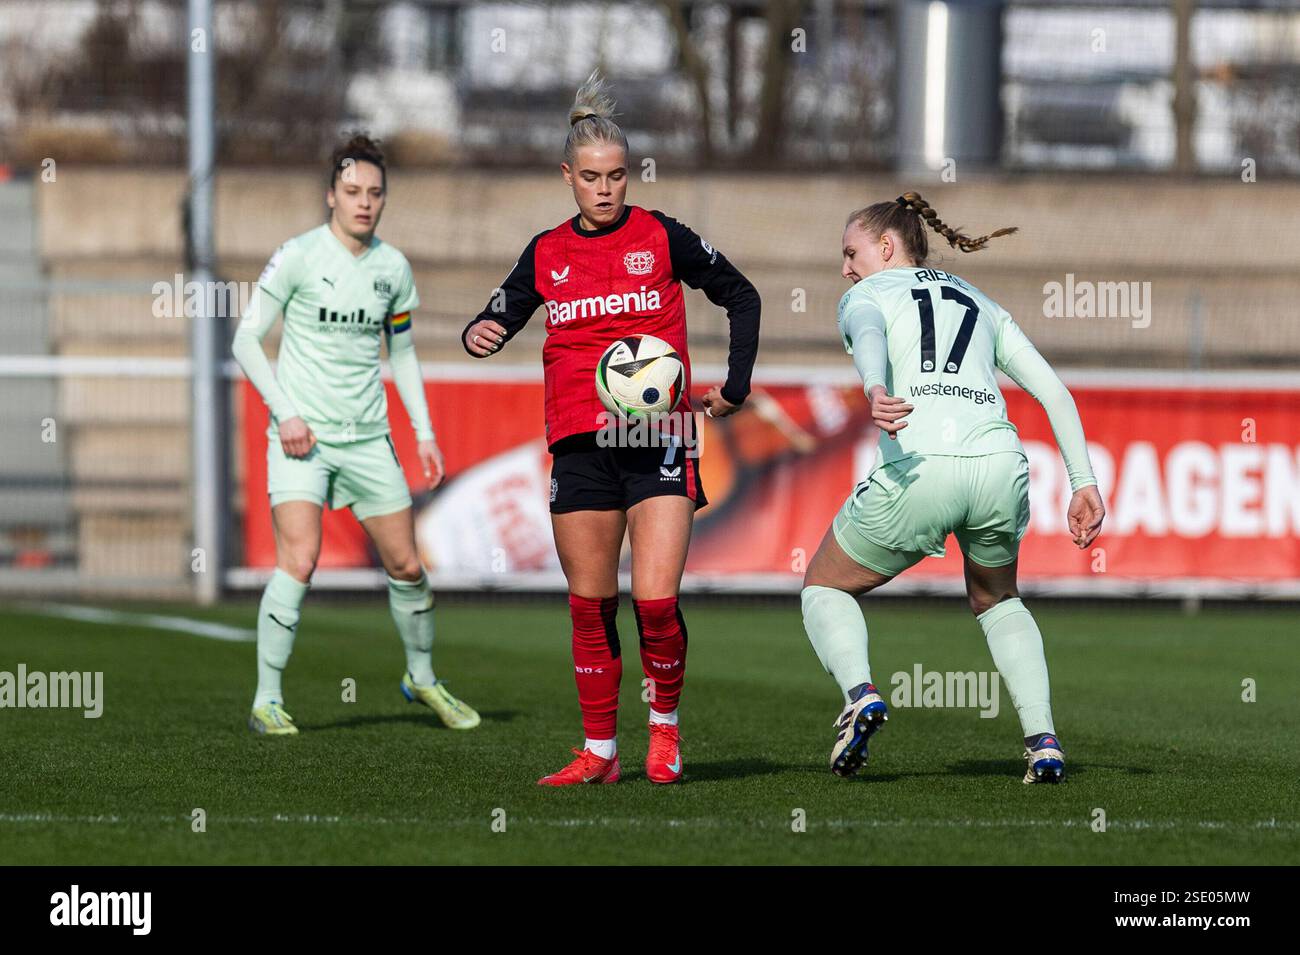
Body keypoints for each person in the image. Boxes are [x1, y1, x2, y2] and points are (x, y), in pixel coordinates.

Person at [462, 73, 761, 785]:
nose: (605, 189)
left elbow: (741, 295)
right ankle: (599, 751)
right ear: (567, 177)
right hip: (579, 445)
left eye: (617, 176)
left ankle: (664, 733)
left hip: (656, 440)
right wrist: (485, 328)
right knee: (591, 605)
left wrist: (737, 385)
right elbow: (497, 313)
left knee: (655, 602)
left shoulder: (661, 235)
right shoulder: (546, 253)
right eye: (591, 177)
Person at [801, 191, 1105, 783]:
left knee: (823, 586)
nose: (845, 267)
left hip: (922, 467)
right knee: (998, 598)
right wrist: (1083, 482)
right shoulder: (982, 301)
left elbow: (866, 330)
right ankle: (1043, 741)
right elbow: (1056, 394)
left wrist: (871, 386)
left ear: (886, 247)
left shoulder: (866, 293)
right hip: (999, 466)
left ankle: (860, 695)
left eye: (850, 252)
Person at [233, 133, 480, 736]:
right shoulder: (297, 256)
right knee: (300, 559)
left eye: (374, 193)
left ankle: (421, 677)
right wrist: (285, 414)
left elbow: (402, 352)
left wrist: (423, 432)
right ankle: (267, 699)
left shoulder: (392, 269)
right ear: (331, 196)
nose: (364, 202)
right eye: (352, 191)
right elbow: (245, 339)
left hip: (370, 440)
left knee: (406, 565)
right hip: (302, 440)